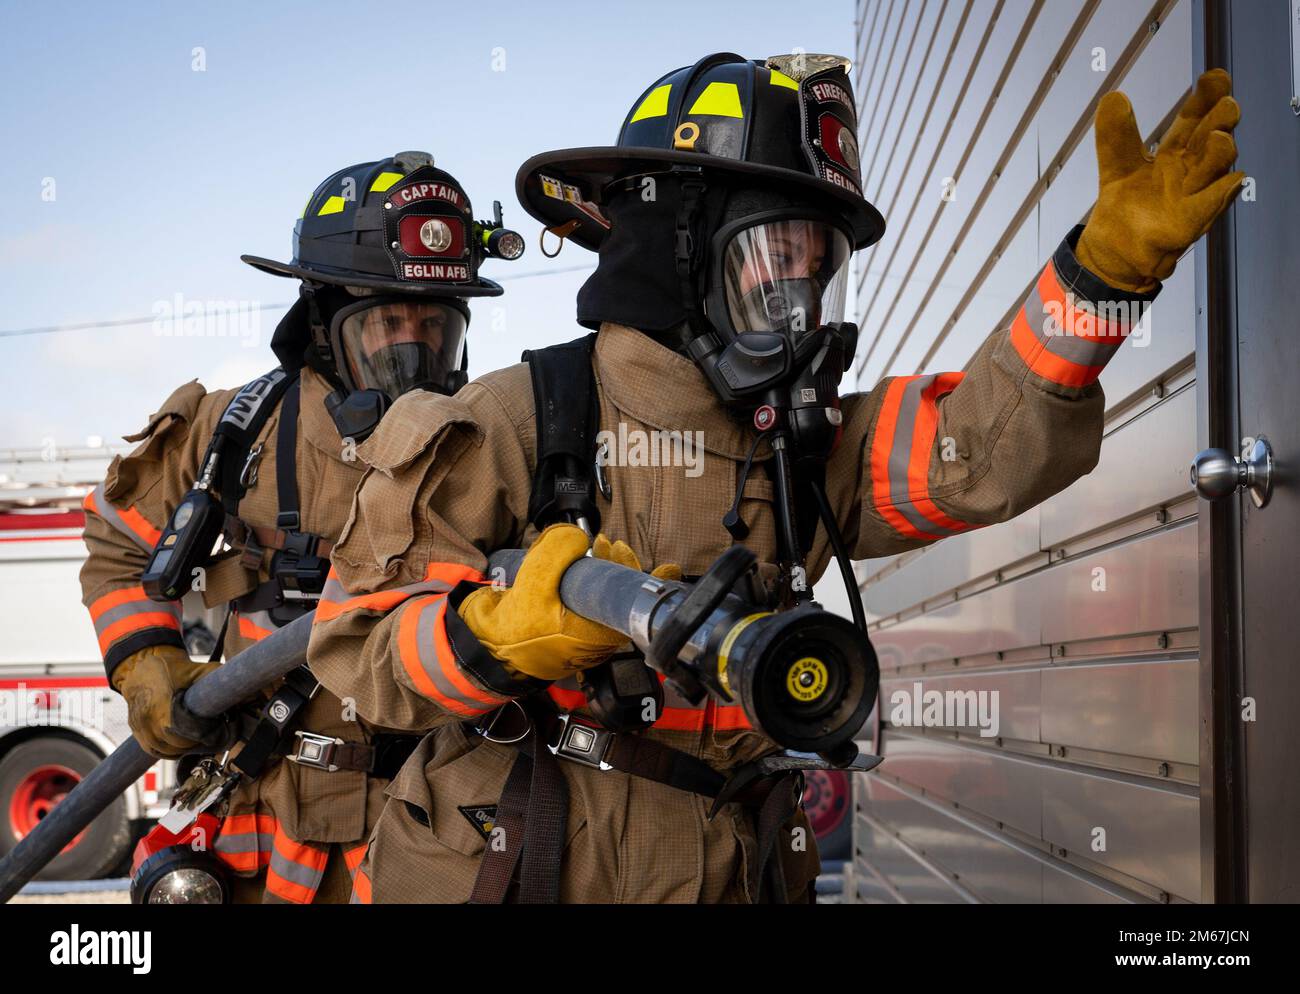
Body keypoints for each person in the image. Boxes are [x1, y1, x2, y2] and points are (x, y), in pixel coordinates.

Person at [307, 55, 1243, 903]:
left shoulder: (806, 444)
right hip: (528, 861)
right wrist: (496, 634)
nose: (799, 298)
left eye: (818, 266)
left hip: (738, 864)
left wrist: (1103, 275)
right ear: (679, 244)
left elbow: (978, 449)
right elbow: (359, 653)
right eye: (775, 254)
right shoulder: (518, 418)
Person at [80, 151, 518, 902]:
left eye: (435, 325)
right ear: (321, 320)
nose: (413, 351)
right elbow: (119, 538)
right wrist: (145, 660)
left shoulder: (501, 437)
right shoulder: (234, 430)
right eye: (385, 324)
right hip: (267, 800)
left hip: (437, 812)